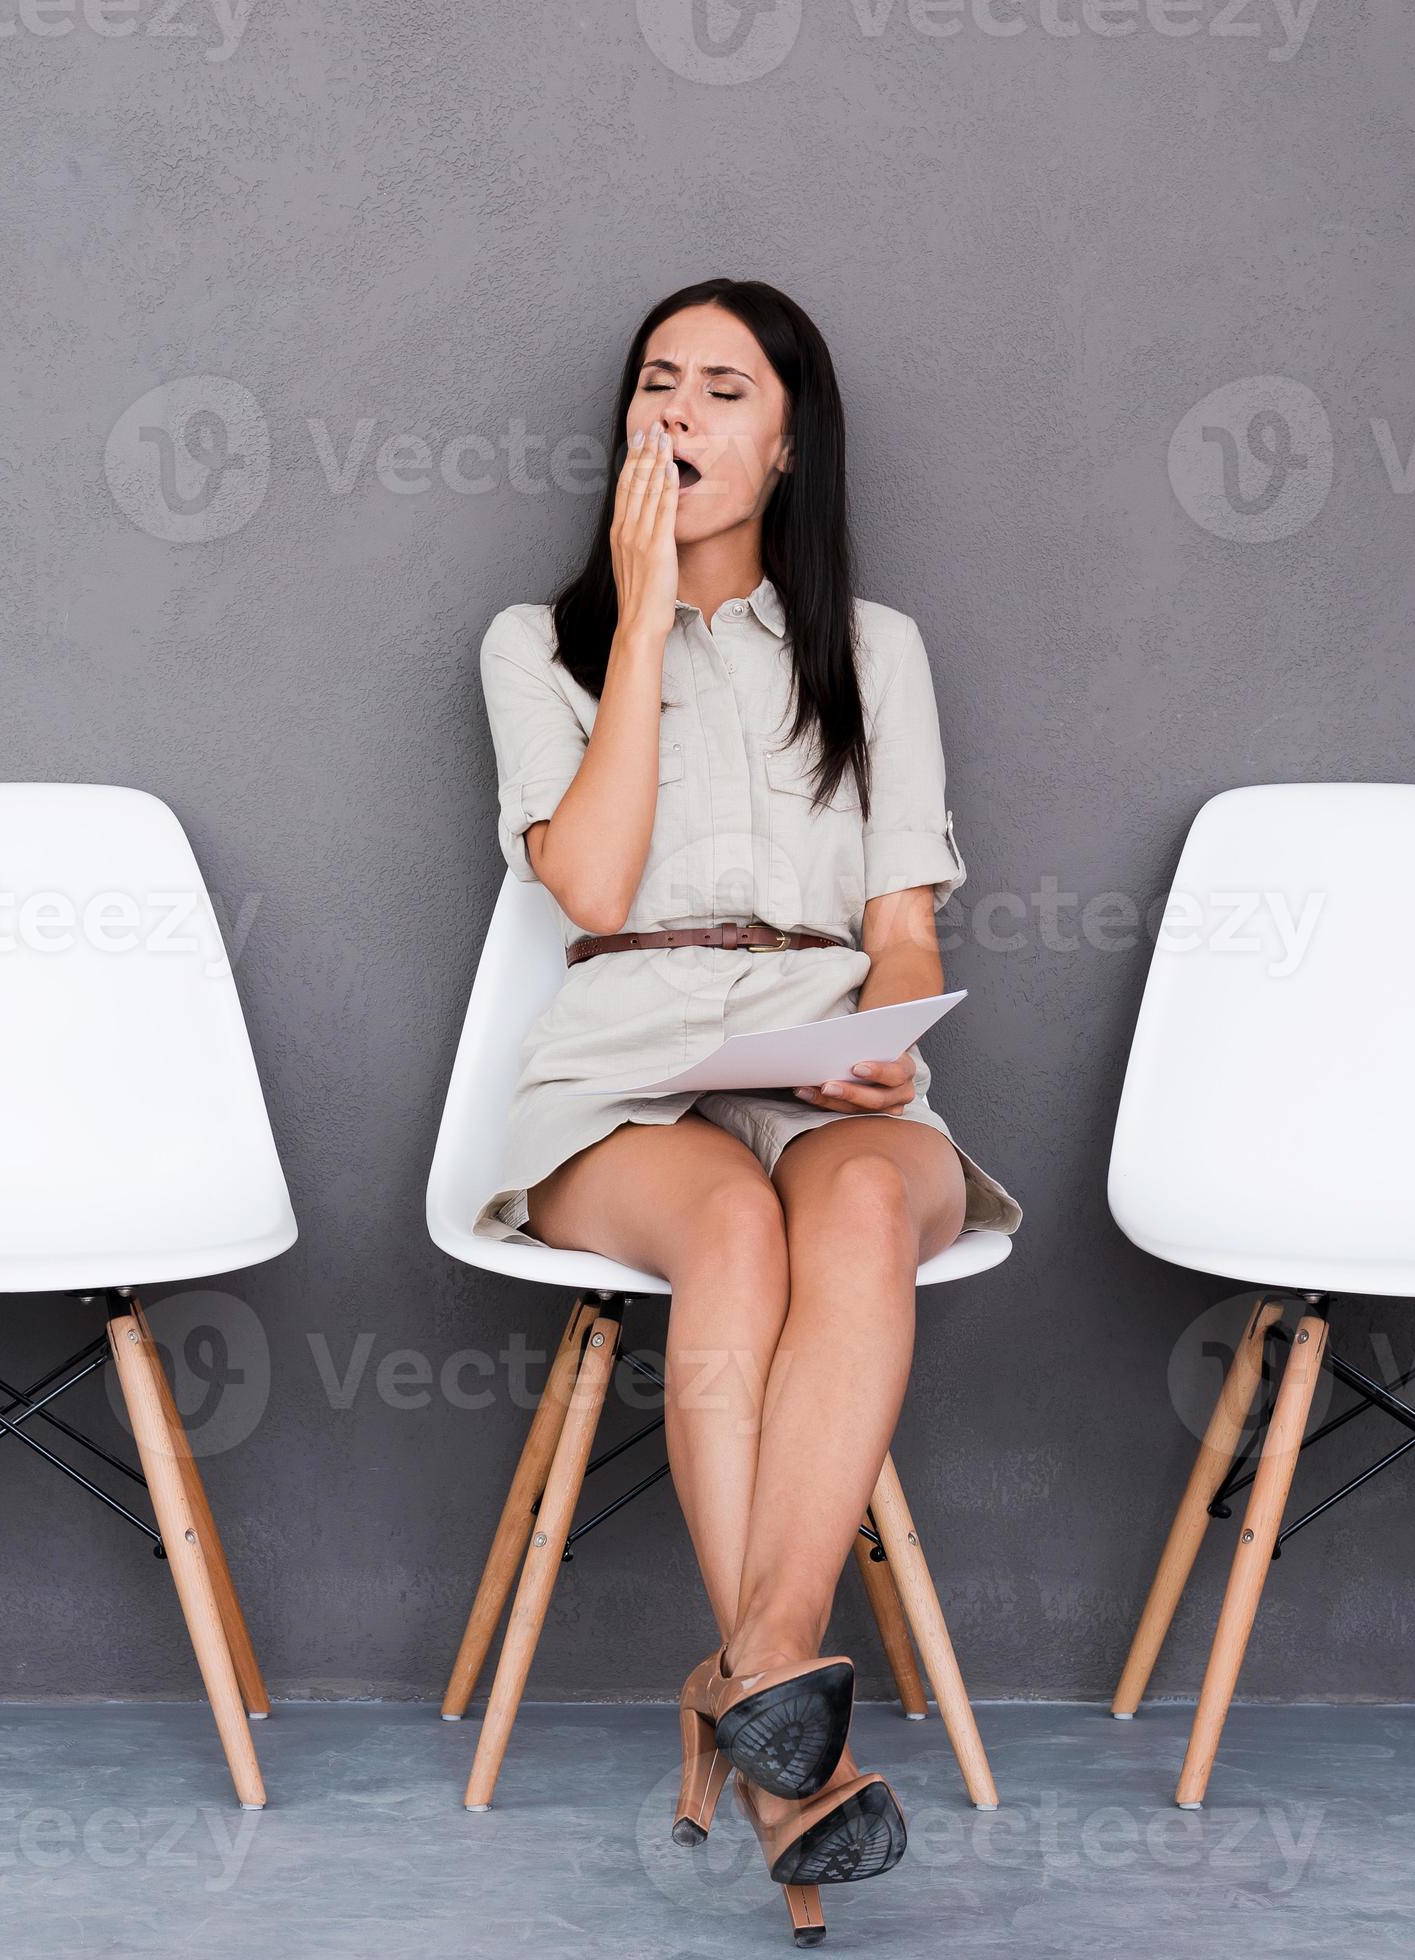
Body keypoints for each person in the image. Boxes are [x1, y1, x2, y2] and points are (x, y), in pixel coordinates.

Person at [475, 277, 1021, 1908]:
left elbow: (901, 916)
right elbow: (583, 884)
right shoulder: (538, 643)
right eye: (658, 384)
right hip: (625, 1058)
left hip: (818, 1041)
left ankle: (759, 1674)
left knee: (854, 1198)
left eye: (722, 391)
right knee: (730, 1232)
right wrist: (640, 620)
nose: (679, 416)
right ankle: (790, 1719)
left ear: (785, 447)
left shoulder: (875, 651)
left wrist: (894, 1036)